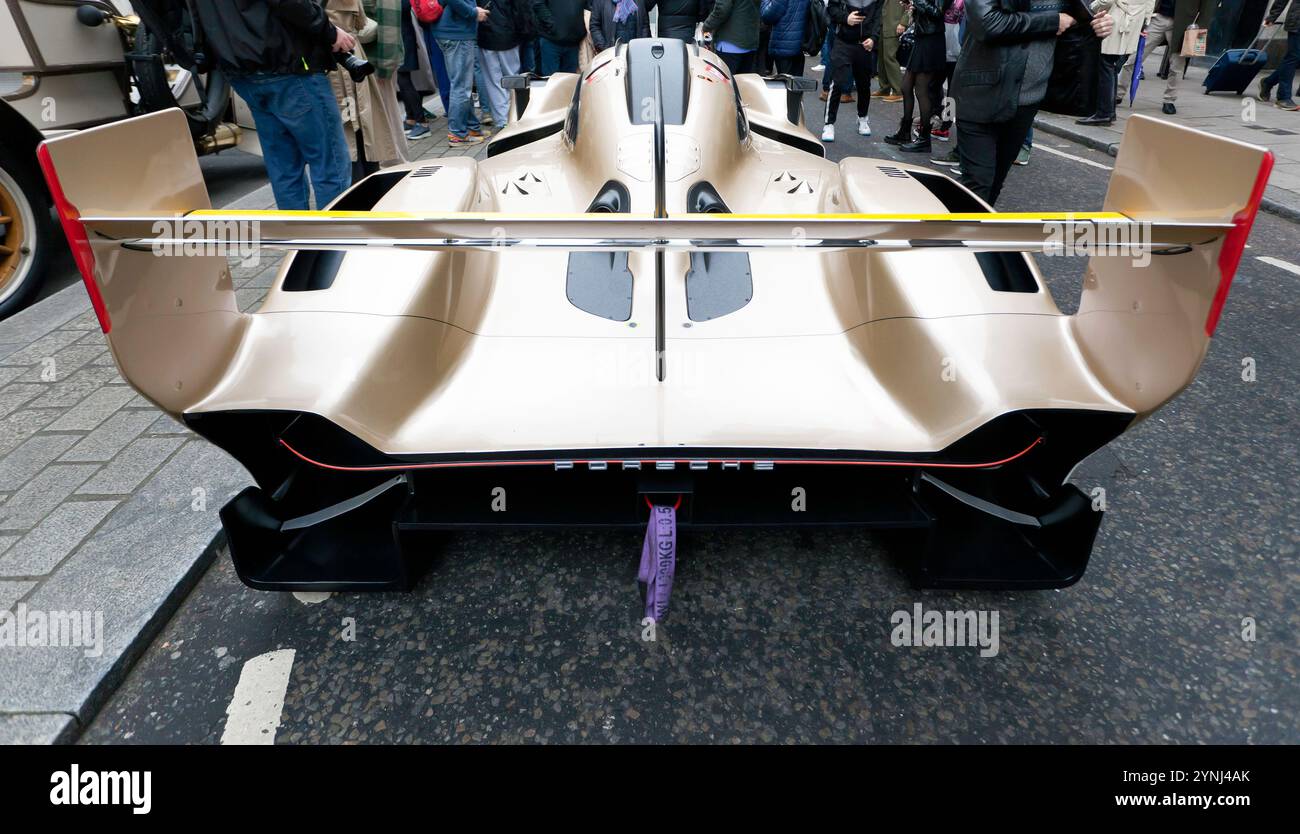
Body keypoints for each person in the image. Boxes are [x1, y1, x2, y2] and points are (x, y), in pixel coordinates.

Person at [190, 0, 354, 211]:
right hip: (289, 66)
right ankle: (335, 232)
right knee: (329, 164)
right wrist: (329, 31)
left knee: (284, 168)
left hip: (241, 69)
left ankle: (296, 231)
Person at [951, 0, 1114, 204]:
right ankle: (961, 223)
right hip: (980, 93)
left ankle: (975, 222)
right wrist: (1052, 21)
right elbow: (987, 24)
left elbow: (1079, 17)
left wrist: (1099, 24)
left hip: (1029, 100)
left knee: (995, 183)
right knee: (978, 183)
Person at [327, 0, 410, 180]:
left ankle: (395, 169)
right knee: (372, 125)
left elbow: (389, 23)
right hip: (356, 62)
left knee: (383, 122)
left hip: (369, 64)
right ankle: (391, 170)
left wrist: (386, 65)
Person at [883, 0, 949, 154]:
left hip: (932, 40)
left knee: (922, 90)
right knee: (906, 87)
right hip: (922, 37)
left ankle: (925, 138)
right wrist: (912, 6)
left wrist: (916, 1)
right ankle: (905, 131)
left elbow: (937, 12)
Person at [1076, 0, 1145, 125]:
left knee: (1105, 66)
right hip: (1132, 19)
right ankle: (1108, 112)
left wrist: (1090, 7)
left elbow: (1106, 0)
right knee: (1110, 66)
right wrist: (1145, 20)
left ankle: (1104, 113)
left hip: (1116, 19)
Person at [822, 0, 882, 140]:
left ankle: (863, 118)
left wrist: (874, 38)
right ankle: (829, 124)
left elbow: (879, 17)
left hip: (865, 44)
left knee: (864, 84)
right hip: (843, 42)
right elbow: (832, 8)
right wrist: (845, 18)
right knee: (837, 82)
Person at [432, 0, 487, 144]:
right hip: (457, 33)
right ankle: (457, 133)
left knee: (462, 85)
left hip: (450, 31)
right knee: (461, 86)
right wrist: (473, 12)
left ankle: (472, 127)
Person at [478, 0, 525, 128]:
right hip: (508, 35)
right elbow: (519, 10)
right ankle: (514, 116)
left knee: (493, 81)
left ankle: (502, 120)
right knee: (512, 78)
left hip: (486, 36)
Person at [397, 0, 437, 138]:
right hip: (403, 36)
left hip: (403, 38)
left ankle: (422, 123)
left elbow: (404, 7)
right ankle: (411, 118)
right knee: (402, 80)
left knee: (404, 80)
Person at [703, 0, 763, 75]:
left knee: (726, 79)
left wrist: (707, 26)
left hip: (729, 42)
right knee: (743, 79)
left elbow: (721, 9)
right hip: (750, 40)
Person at [1260, 0, 1300, 111]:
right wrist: (1272, 16)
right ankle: (1283, 98)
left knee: (1296, 59)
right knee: (1294, 57)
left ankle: (1268, 82)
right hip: (1298, 21)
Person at [531, 0, 588, 74]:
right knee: (551, 78)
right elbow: (538, 4)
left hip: (574, 41)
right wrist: (551, 24)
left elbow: (590, 5)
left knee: (569, 79)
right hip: (551, 40)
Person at [761, 0, 812, 76]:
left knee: (785, 80)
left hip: (783, 44)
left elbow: (767, 16)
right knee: (796, 80)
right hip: (799, 43)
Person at [876, 0, 909, 101]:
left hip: (894, 24)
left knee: (889, 57)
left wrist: (904, 22)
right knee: (882, 58)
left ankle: (898, 90)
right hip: (883, 24)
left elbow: (910, 6)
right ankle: (884, 88)